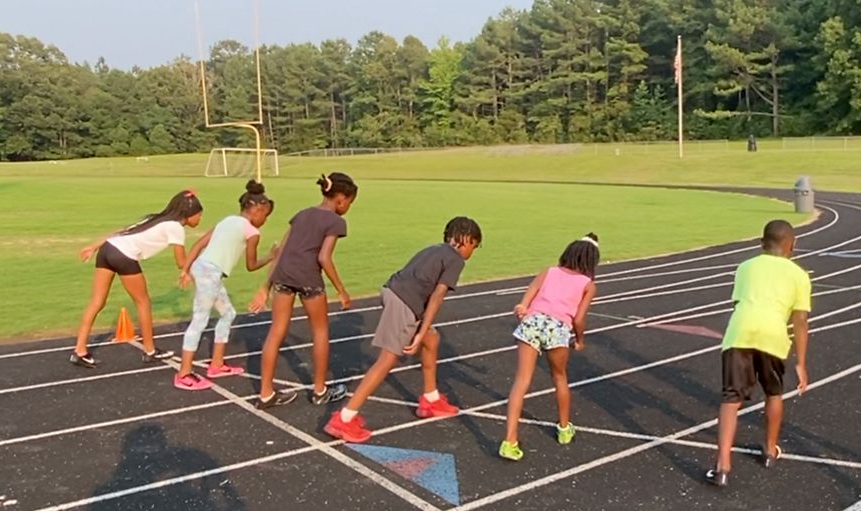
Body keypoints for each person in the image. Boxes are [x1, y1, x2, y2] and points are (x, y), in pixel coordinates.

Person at [322, 217, 482, 442]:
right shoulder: (455, 259)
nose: (472, 252)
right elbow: (437, 297)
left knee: (432, 339)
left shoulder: (433, 249)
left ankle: (430, 398)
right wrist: (418, 332)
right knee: (387, 359)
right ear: (466, 241)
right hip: (405, 302)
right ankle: (345, 418)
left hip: (393, 292)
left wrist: (423, 331)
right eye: (474, 247)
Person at [706, 220, 811, 487]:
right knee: (773, 393)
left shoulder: (745, 267)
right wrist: (801, 362)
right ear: (792, 245)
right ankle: (769, 450)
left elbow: (737, 303)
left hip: (740, 332)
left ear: (762, 243)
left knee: (731, 398)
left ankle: (722, 466)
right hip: (773, 335)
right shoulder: (799, 275)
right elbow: (800, 321)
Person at [249, 173, 357, 408]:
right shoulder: (336, 221)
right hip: (308, 277)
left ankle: (266, 393)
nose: (348, 207)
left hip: (284, 275)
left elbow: (282, 250)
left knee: (276, 331)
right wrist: (342, 290)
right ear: (340, 198)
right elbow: (324, 257)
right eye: (350, 202)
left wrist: (265, 287)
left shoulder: (301, 215)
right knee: (319, 332)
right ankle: (320, 391)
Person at [71, 190, 203, 367]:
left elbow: (122, 232)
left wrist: (94, 246)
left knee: (97, 301)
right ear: (189, 214)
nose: (199, 220)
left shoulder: (155, 218)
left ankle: (79, 351)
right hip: (124, 256)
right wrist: (199, 266)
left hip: (107, 250)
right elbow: (181, 262)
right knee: (143, 302)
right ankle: (150, 351)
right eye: (199, 215)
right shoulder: (176, 227)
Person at [499, 235, 600, 461]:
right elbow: (580, 319)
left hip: (532, 323)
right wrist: (580, 340)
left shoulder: (550, 271)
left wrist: (523, 306)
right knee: (559, 377)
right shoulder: (588, 285)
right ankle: (564, 429)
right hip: (557, 328)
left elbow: (530, 292)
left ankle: (510, 441)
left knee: (521, 381)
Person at [173, 180, 275, 390]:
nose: (265, 220)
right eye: (265, 215)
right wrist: (273, 257)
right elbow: (251, 265)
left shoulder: (227, 220)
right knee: (199, 320)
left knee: (228, 313)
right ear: (257, 210)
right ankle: (184, 374)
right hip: (210, 272)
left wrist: (186, 269)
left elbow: (198, 244)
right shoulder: (252, 233)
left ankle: (216, 365)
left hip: (204, 269)